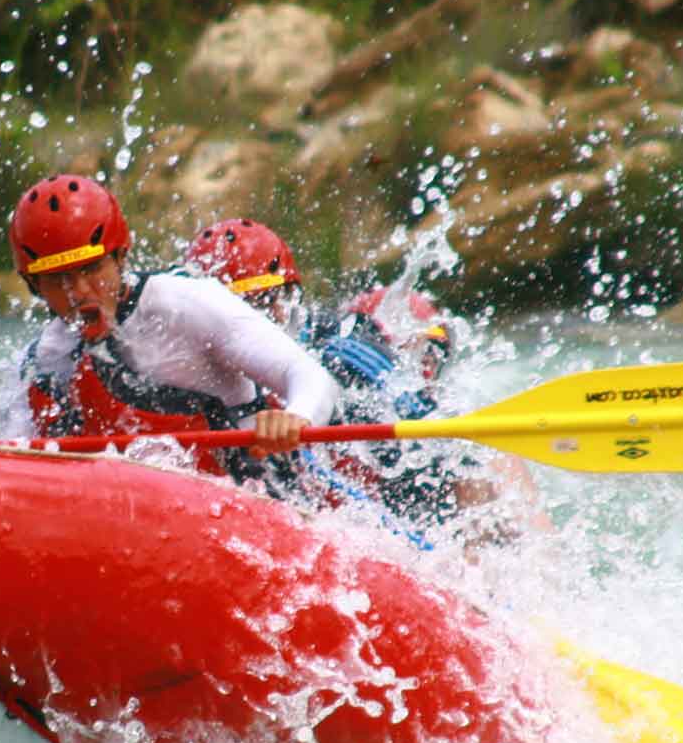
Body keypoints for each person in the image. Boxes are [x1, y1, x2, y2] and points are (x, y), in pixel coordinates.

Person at [183, 218, 542, 544]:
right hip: (318, 501)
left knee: (462, 476)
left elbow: (450, 453)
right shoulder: (185, 371)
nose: (235, 329)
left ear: (287, 300)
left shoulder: (344, 356)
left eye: (255, 305)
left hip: (415, 497)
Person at [0, 174, 339, 478]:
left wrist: (296, 417)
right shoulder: (50, 357)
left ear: (121, 256)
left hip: (256, 491)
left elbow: (309, 375)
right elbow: (13, 450)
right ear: (34, 286)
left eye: (91, 269)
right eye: (57, 279)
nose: (77, 291)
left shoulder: (187, 304)